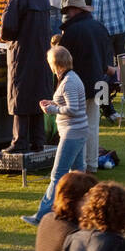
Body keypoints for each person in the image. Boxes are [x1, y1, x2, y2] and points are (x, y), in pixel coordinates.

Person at [19, 46, 89, 226]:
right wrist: (53, 102)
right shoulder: (70, 77)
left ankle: (41, 216)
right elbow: (70, 103)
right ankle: (87, 210)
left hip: (72, 133)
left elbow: (73, 109)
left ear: (55, 63)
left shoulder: (68, 82)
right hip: (78, 131)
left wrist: (52, 109)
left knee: (57, 175)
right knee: (79, 175)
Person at [56, 0, 115, 167]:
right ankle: (91, 164)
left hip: (77, 85)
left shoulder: (71, 32)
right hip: (99, 83)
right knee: (92, 126)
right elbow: (108, 64)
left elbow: (62, 63)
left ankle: (79, 163)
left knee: (74, 127)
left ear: (74, 9)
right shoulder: (99, 27)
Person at [0, 0, 52, 154]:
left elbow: (8, 28)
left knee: (19, 94)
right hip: (43, 54)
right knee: (39, 95)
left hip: (22, 53)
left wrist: (0, 33)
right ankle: (38, 141)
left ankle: (20, 141)